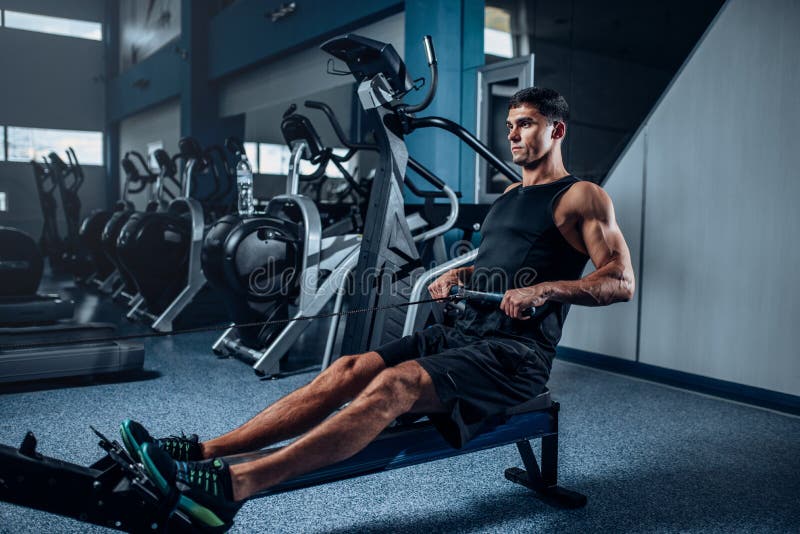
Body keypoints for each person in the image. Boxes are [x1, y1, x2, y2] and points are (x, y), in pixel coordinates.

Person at [122, 87, 635, 530]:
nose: (514, 135)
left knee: (395, 385)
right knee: (348, 368)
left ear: (557, 129)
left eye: (526, 124)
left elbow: (620, 280)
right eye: (510, 126)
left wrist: (548, 290)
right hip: (463, 336)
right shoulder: (505, 198)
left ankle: (234, 486)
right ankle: (203, 452)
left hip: (513, 355)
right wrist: (462, 276)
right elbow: (502, 266)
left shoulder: (581, 196)